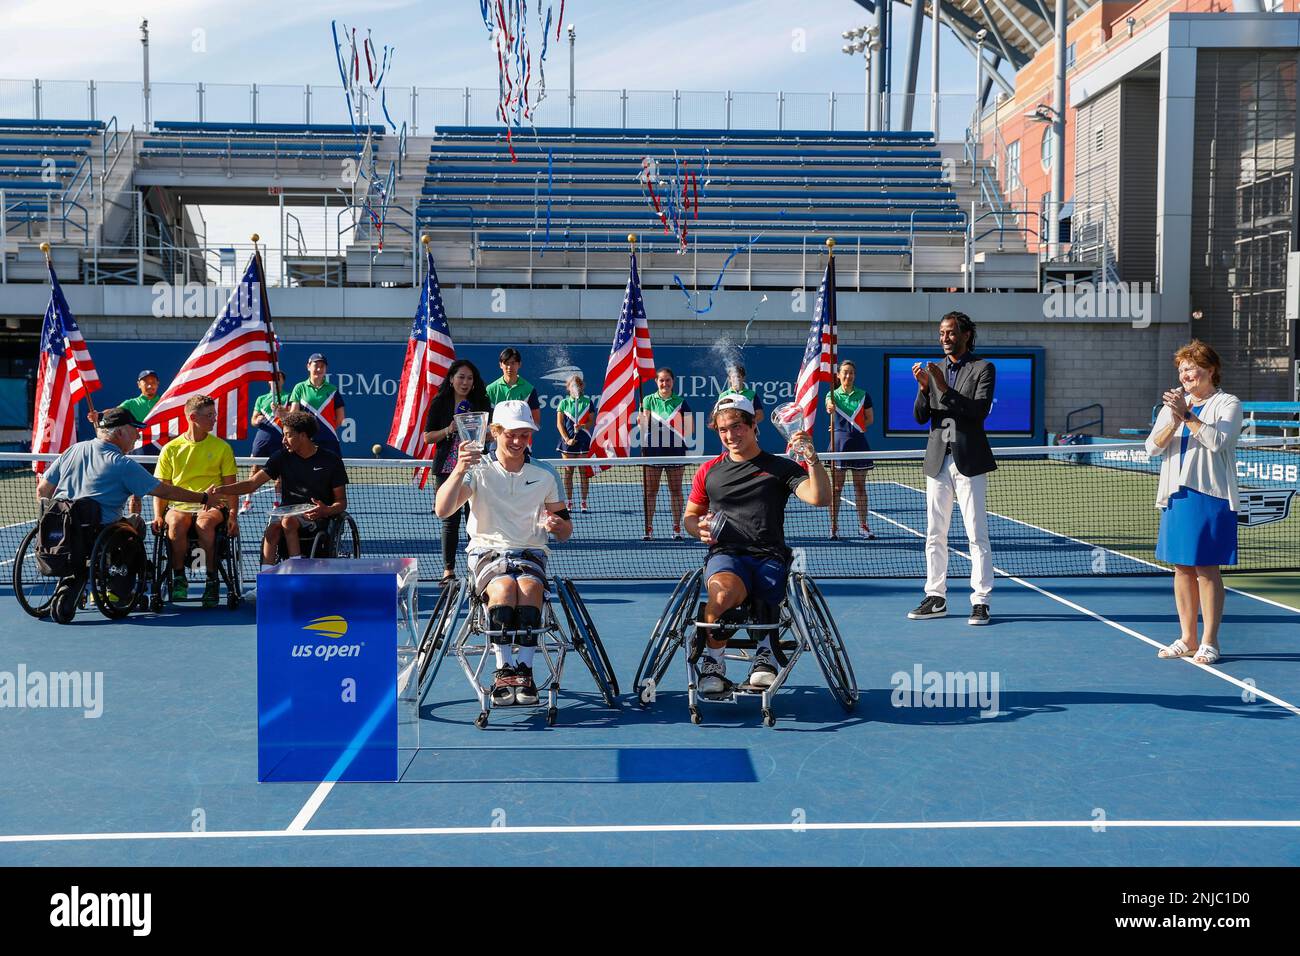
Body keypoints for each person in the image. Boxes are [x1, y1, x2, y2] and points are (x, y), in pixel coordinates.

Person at [683, 394, 830, 695]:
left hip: (769, 555)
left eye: (737, 427)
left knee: (768, 587)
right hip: (726, 554)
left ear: (753, 426)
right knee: (722, 595)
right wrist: (696, 528)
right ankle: (713, 663)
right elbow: (690, 516)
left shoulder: (781, 468)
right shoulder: (708, 471)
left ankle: (765, 655)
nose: (730, 435)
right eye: (723, 430)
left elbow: (820, 498)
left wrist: (812, 458)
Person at [434, 400, 572, 708]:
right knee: (504, 587)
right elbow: (442, 509)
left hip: (530, 553)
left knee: (529, 587)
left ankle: (525, 670)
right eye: (511, 434)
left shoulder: (545, 473)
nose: (518, 441)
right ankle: (503, 669)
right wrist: (459, 468)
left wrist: (555, 524)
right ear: (495, 432)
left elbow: (565, 531)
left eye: (524, 435)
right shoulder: (477, 469)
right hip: (486, 551)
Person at [36, 407, 213, 616]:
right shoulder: (122, 464)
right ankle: (119, 584)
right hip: (102, 532)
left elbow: (43, 491)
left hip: (64, 530)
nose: (138, 435)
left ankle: (95, 577)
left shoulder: (74, 449)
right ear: (119, 432)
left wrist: (47, 521)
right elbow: (164, 490)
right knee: (136, 522)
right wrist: (203, 497)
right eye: (134, 429)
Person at [1146, 341, 1242, 666]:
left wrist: (1186, 415)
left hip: (1211, 495)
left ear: (1210, 369)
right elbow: (1152, 447)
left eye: (1191, 367)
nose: (1185, 374)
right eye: (1182, 369)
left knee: (1205, 567)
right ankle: (1187, 638)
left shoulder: (1227, 402)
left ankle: (1210, 641)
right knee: (1181, 567)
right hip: (1177, 495)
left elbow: (1219, 441)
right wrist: (1175, 418)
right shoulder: (1174, 407)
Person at [908, 311, 996, 626]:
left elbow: (978, 412)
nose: (945, 338)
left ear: (966, 335)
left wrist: (943, 387)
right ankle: (936, 597)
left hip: (969, 459)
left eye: (950, 333)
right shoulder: (935, 370)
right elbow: (921, 417)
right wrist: (923, 388)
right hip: (937, 460)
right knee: (934, 533)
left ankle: (981, 601)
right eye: (942, 333)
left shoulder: (983, 368)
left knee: (976, 533)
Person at [211, 411, 349, 568]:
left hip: (318, 516)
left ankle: (297, 571)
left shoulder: (331, 460)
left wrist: (326, 510)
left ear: (303, 436)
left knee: (288, 521)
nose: (283, 440)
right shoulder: (280, 457)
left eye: (288, 435)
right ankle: (265, 580)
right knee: (272, 529)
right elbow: (251, 484)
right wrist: (221, 489)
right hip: (287, 513)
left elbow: (341, 502)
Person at [154, 394, 238, 608]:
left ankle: (211, 580)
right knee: (175, 524)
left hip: (212, 507)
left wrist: (234, 516)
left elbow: (232, 487)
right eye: (209, 415)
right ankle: (179, 577)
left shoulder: (222, 448)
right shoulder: (170, 449)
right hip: (179, 506)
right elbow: (161, 488)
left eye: (215, 414)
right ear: (193, 417)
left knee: (204, 524)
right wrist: (157, 515)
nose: (215, 419)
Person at [423, 359, 492, 586]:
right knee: (449, 520)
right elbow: (428, 437)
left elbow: (493, 433)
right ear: (451, 379)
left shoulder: (481, 402)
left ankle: (477, 567)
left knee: (475, 517)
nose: (465, 382)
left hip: (476, 467)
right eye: (461, 377)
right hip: (446, 467)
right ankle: (448, 570)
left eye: (469, 378)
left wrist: (481, 432)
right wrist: (449, 429)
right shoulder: (439, 403)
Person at [824, 358, 876, 539]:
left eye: (851, 372)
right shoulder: (831, 394)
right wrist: (830, 408)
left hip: (859, 444)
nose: (848, 375)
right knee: (837, 488)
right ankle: (834, 527)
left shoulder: (863, 395)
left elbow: (870, 419)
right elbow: (829, 407)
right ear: (838, 376)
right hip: (839, 446)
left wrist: (857, 425)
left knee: (860, 487)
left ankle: (863, 526)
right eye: (845, 372)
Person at [639, 367, 693, 540]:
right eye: (661, 380)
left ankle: (677, 529)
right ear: (656, 382)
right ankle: (648, 529)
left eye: (668, 380)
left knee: (676, 490)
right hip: (653, 451)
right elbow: (644, 425)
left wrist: (676, 434)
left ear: (673, 382)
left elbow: (690, 427)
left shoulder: (681, 402)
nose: (664, 383)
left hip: (676, 451)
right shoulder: (648, 400)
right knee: (650, 491)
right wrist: (642, 420)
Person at [114, 368, 163, 520]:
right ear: (139, 385)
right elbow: (112, 414)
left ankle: (161, 520)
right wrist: (98, 415)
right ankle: (134, 522)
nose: (150, 386)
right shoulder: (130, 404)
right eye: (146, 383)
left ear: (158, 384)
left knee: (164, 491)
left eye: (153, 383)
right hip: (139, 453)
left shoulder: (165, 402)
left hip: (161, 453)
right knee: (135, 495)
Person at [288, 353, 345, 455]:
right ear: (308, 366)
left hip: (329, 441)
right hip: (306, 442)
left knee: (332, 470)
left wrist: (326, 430)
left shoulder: (333, 390)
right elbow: (294, 415)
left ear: (326, 369)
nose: (319, 369)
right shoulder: (299, 388)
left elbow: (340, 419)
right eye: (316, 366)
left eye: (322, 366)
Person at [555, 372, 593, 512]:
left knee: (583, 472)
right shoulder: (563, 403)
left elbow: (590, 422)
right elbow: (559, 424)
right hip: (568, 443)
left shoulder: (588, 402)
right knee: (568, 472)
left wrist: (581, 426)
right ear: (568, 387)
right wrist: (567, 439)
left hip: (583, 442)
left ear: (582, 386)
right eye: (572, 385)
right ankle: (569, 502)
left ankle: (583, 502)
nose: (575, 387)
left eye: (578, 384)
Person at [485, 347, 541, 427]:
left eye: (513, 363)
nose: (509, 367)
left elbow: (535, 420)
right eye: (506, 363)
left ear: (519, 364)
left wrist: (524, 434)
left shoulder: (529, 389)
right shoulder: (490, 389)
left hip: (521, 436)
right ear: (501, 365)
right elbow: (486, 419)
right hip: (497, 437)